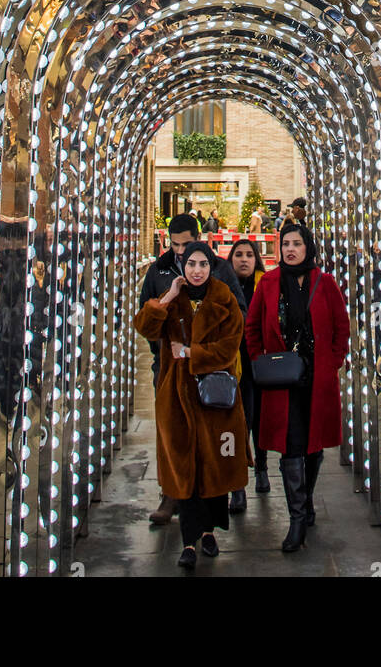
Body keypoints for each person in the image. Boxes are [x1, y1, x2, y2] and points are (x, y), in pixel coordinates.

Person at [135, 242, 249, 570]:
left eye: (203, 264)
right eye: (191, 264)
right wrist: (168, 296)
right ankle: (188, 540)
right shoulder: (174, 300)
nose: (197, 270)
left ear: (212, 266)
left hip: (215, 398)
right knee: (184, 468)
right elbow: (144, 326)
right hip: (178, 399)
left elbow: (229, 348)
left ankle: (210, 531)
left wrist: (189, 353)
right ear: (182, 267)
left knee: (214, 465)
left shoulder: (224, 297)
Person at [245, 222, 350, 552]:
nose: (290, 249)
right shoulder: (269, 283)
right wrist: (259, 359)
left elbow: (340, 327)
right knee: (291, 445)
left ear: (308, 247)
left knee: (313, 445)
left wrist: (333, 361)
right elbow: (252, 327)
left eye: (297, 244)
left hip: (316, 378)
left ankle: (304, 503)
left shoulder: (325, 283)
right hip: (281, 379)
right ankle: (297, 518)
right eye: (286, 243)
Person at [227, 238, 269, 510]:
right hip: (232, 364)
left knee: (259, 418)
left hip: (259, 363)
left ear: (256, 259)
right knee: (236, 424)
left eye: (249, 255)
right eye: (239, 255)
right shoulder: (223, 287)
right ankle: (237, 483)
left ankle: (262, 468)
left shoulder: (265, 285)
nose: (244, 259)